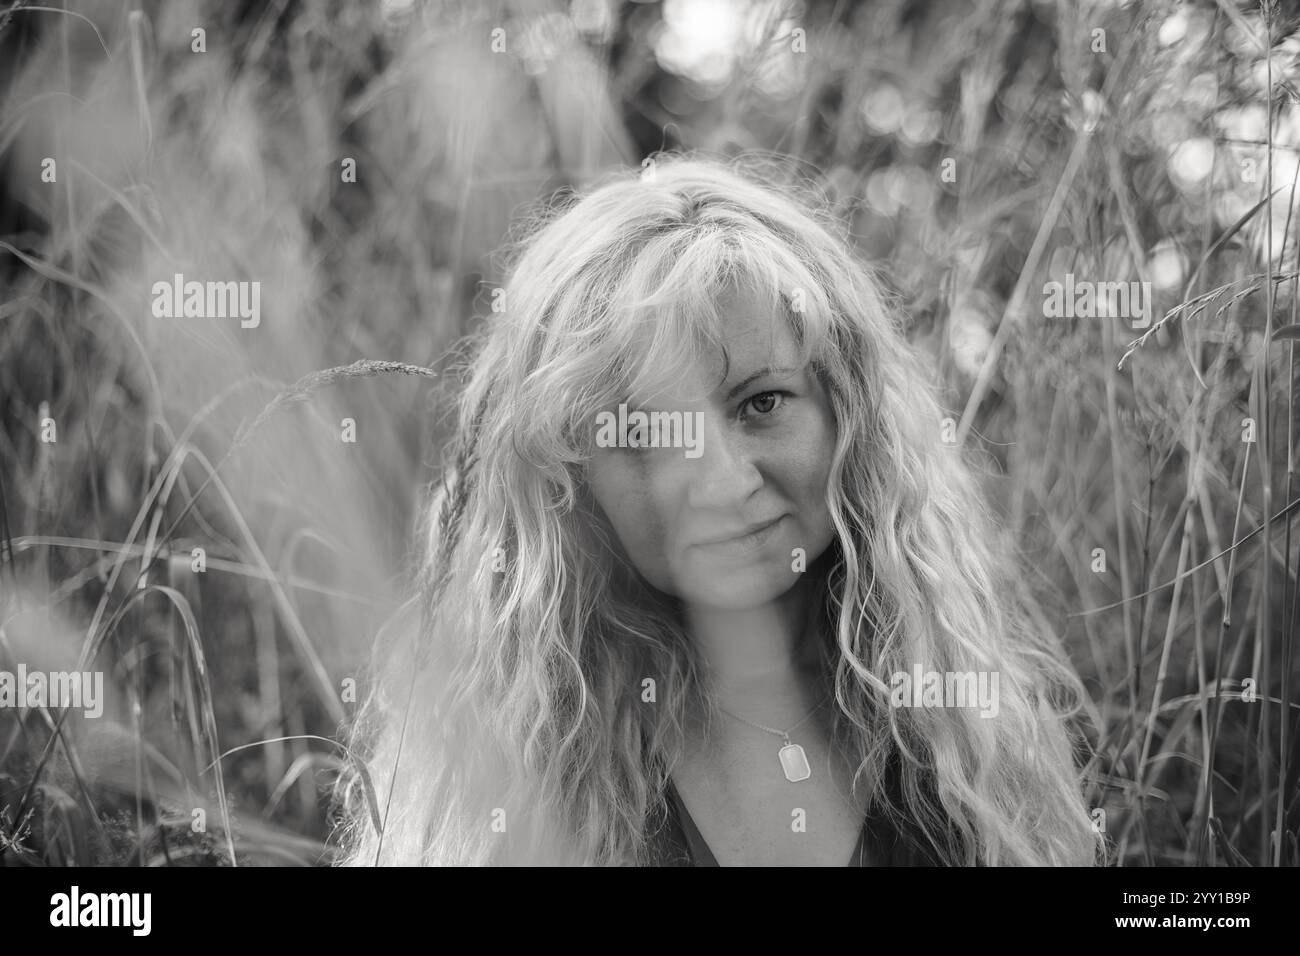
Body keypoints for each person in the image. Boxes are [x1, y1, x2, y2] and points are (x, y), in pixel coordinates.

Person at [335, 152, 1102, 866]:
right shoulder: (512, 762)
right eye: (649, 434)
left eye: (761, 402)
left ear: (848, 412)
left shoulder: (963, 738)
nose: (723, 483)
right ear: (571, 479)